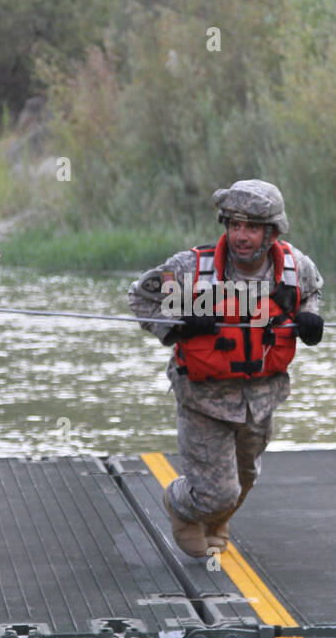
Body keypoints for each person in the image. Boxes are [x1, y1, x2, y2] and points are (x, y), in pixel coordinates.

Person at [129, 180, 324, 557]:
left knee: (246, 478)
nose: (241, 236)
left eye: (251, 227)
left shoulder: (294, 267)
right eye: (234, 225)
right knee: (219, 490)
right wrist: (177, 322)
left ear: (271, 232)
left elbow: (313, 293)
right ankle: (181, 505)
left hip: (260, 398)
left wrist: (309, 318)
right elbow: (140, 297)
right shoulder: (191, 268)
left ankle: (217, 519)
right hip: (204, 398)